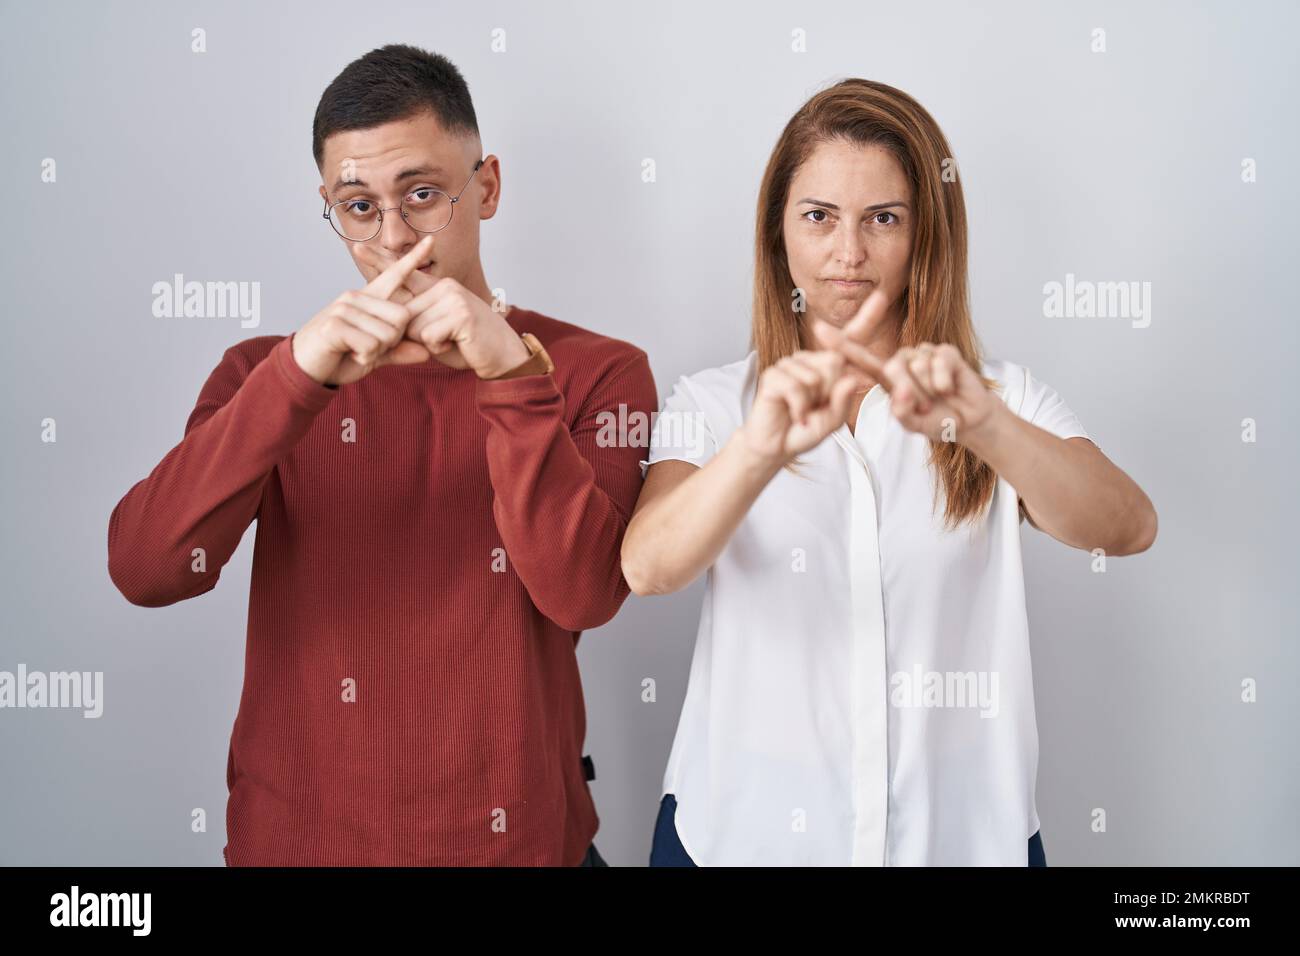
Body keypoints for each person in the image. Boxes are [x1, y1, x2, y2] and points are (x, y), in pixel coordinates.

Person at [107, 44, 654, 866]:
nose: (394, 238)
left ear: (488, 187)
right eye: (358, 206)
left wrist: (508, 375)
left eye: (424, 195)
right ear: (329, 206)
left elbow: (581, 594)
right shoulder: (263, 374)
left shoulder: (595, 371)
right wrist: (293, 378)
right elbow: (147, 571)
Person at [622, 78, 1157, 866]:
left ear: (925, 234)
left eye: (883, 219)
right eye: (819, 217)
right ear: (779, 236)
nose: (849, 253)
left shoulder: (998, 398)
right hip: (739, 838)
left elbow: (1129, 526)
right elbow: (648, 566)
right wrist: (760, 448)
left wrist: (986, 426)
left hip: (963, 842)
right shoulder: (711, 402)